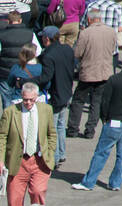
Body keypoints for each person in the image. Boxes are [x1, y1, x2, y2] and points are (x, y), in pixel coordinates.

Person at [73, 51, 122, 193]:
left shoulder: (114, 79)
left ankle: (89, 182)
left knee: (102, 152)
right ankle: (115, 183)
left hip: (115, 121)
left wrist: (104, 117)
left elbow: (105, 101)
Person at [0, 83, 55, 206]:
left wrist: (50, 152)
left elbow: (51, 134)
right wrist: (0, 159)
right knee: (15, 199)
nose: (28, 103)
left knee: (38, 192)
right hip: (18, 162)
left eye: (31, 100)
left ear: (37, 98)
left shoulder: (46, 110)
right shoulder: (10, 112)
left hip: (39, 161)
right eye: (25, 100)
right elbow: (1, 136)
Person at [69, 9, 119, 139]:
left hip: (88, 72)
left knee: (78, 100)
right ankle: (90, 130)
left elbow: (78, 53)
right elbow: (113, 49)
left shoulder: (85, 33)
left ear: (90, 19)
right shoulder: (111, 32)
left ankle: (73, 128)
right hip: (105, 72)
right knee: (96, 102)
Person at [37, 26, 77, 166]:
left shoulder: (48, 55)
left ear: (46, 39)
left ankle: (53, 159)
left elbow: (45, 78)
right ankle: (61, 153)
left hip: (55, 95)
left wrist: (29, 81)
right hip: (67, 92)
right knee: (60, 125)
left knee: (51, 128)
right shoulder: (67, 49)